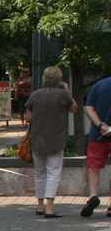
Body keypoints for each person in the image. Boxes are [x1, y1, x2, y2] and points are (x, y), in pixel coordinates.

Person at [26, 66, 79, 218]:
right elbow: (74, 109)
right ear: (59, 79)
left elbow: (28, 118)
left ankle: (40, 205)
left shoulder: (35, 94)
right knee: (53, 173)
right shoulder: (63, 95)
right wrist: (67, 90)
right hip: (56, 139)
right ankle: (50, 208)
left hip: (37, 139)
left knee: (40, 173)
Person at [80, 73, 111, 217]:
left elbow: (89, 108)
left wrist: (100, 125)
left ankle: (93, 195)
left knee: (94, 167)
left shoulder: (99, 85)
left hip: (98, 134)